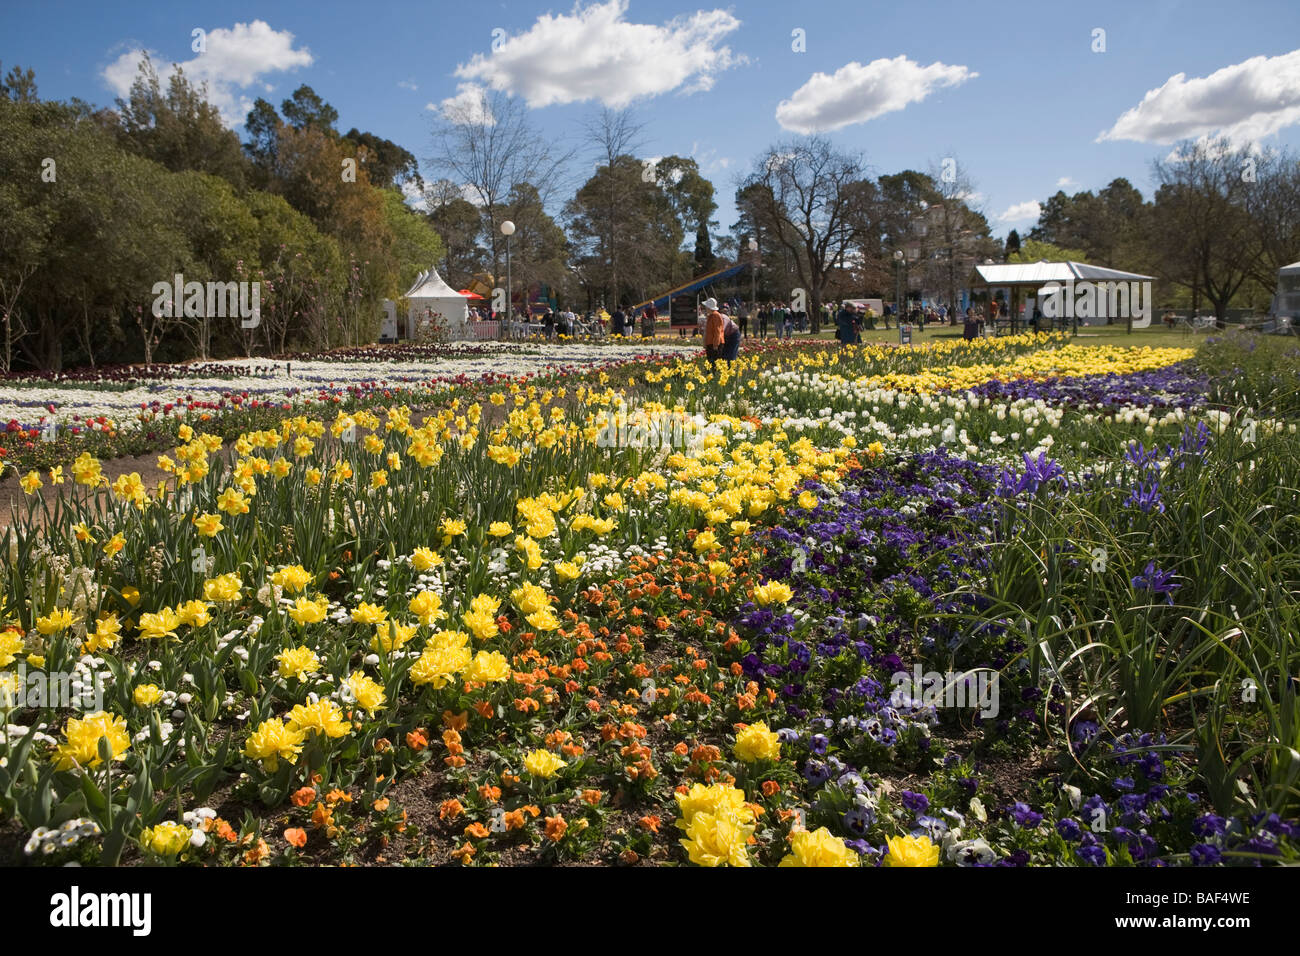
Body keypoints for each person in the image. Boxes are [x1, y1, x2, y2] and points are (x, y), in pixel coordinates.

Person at [702, 298, 725, 368]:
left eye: (706, 306)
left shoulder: (715, 316)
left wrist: (715, 345)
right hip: (710, 343)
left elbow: (717, 332)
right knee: (710, 364)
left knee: (714, 364)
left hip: (714, 344)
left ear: (709, 307)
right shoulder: (711, 316)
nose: (705, 308)